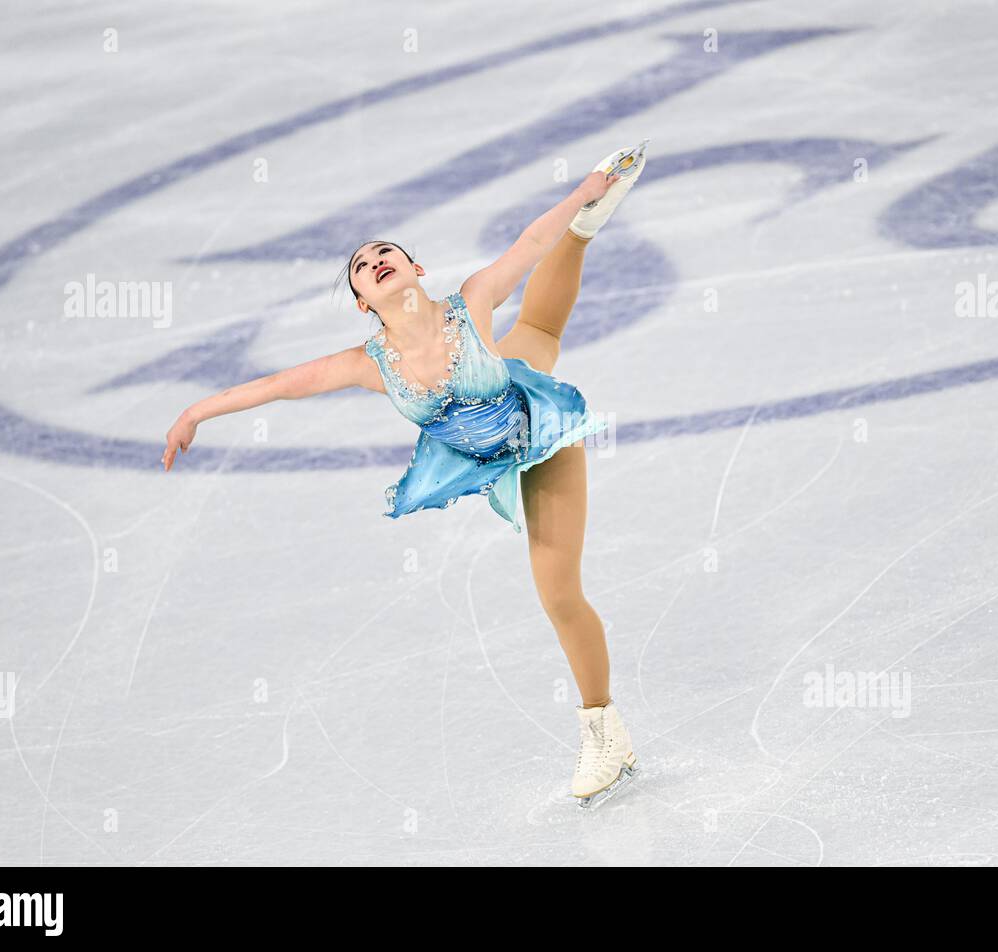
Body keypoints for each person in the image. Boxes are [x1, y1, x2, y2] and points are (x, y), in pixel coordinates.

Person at [162, 142, 650, 807]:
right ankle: (585, 230)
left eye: (384, 252)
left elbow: (530, 242)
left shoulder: (470, 301)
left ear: (415, 267)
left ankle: (604, 733)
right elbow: (280, 384)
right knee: (534, 331)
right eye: (361, 266)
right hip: (476, 439)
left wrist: (582, 193)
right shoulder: (367, 363)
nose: (374, 260)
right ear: (364, 300)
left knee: (558, 592)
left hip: (535, 432)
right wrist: (197, 410)